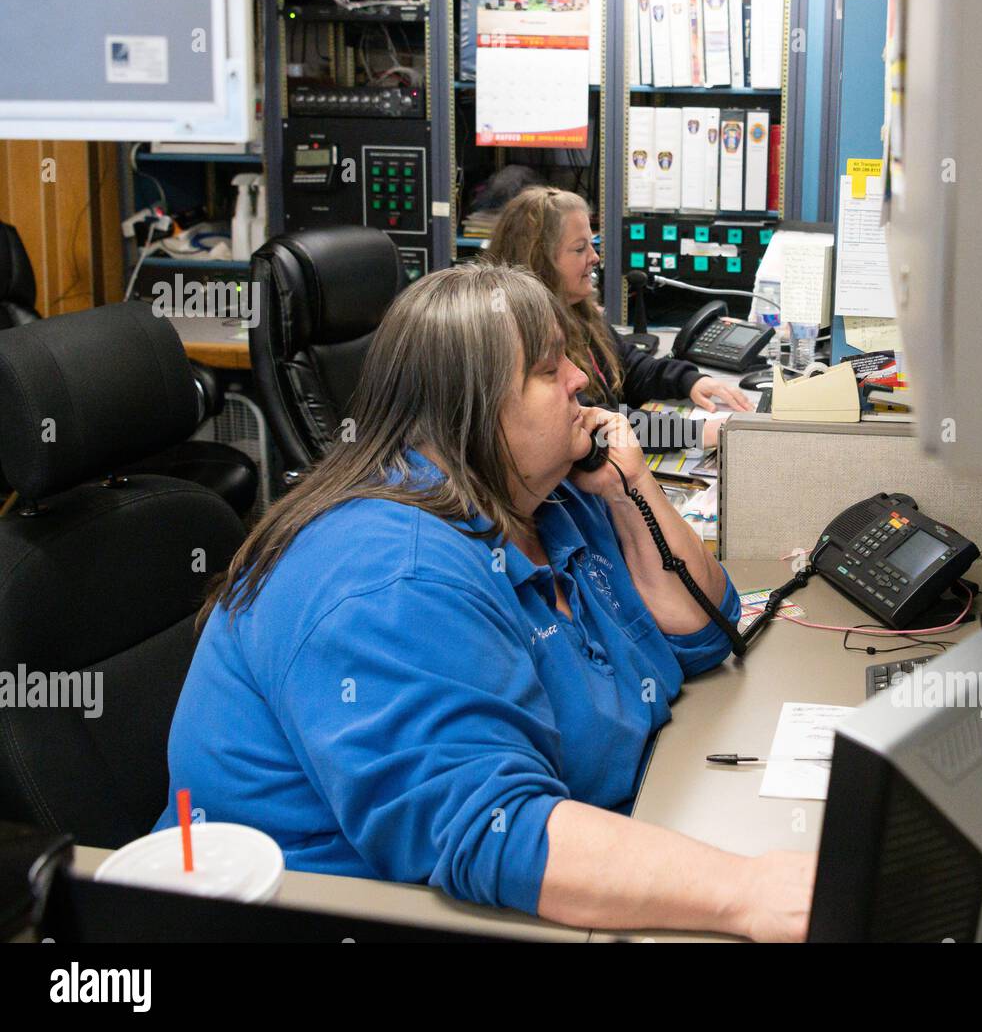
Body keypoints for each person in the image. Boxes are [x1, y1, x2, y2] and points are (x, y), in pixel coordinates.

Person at [154, 262, 812, 941]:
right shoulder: (392, 574)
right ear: (471, 407)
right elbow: (497, 833)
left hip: (590, 844)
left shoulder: (547, 497)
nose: (581, 380)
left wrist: (630, 487)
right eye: (549, 368)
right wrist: (745, 890)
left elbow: (702, 632)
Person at [485, 186, 752, 451]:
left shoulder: (580, 313)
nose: (594, 258)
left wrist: (690, 381)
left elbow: (631, 367)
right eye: (580, 249)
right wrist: (693, 432)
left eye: (592, 245)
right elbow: (592, 423)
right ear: (539, 261)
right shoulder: (528, 342)